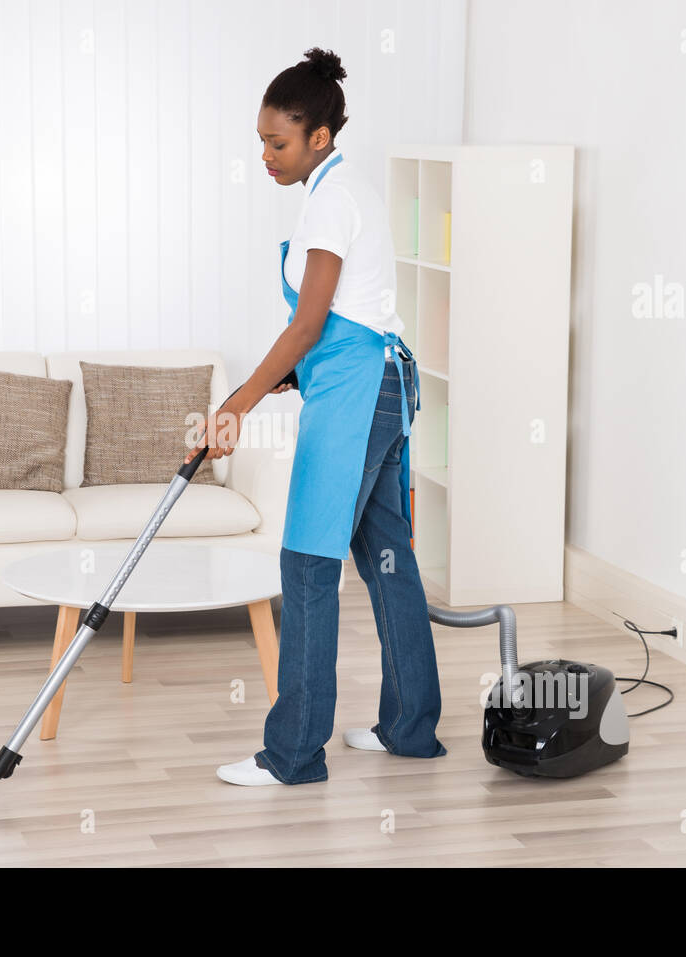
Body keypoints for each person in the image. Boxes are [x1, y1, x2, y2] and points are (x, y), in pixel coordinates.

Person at [185, 47, 446, 785]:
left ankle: (294, 752)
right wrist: (285, 380)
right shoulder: (340, 189)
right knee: (389, 561)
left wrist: (235, 401)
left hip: (358, 395)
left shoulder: (331, 200)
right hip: (376, 385)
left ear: (319, 137)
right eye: (262, 143)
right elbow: (343, 321)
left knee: (305, 564)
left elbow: (310, 322)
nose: (267, 157)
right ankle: (409, 729)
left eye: (278, 143)